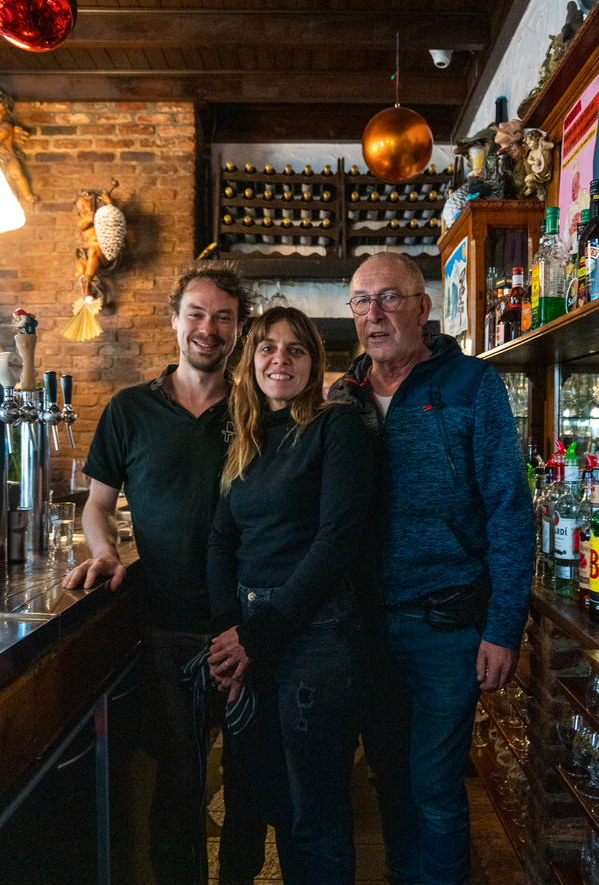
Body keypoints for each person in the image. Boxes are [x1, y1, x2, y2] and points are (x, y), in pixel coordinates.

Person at [328, 252, 535, 885]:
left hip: (447, 624)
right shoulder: (344, 394)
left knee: (436, 785)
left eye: (389, 298)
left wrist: (504, 627)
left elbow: (508, 508)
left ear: (424, 307)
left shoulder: (472, 384)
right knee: (389, 777)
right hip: (366, 626)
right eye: (362, 301)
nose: (375, 314)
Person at [62, 258, 267, 885]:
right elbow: (99, 503)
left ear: (239, 331)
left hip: (246, 630)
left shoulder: (257, 407)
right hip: (166, 628)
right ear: (174, 321)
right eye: (197, 314)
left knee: (250, 789)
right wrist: (104, 554)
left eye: (224, 318)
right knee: (177, 788)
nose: (209, 328)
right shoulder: (129, 410)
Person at [207, 306, 374, 885]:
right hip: (256, 637)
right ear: (250, 361)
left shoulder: (336, 427)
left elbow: (337, 542)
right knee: (272, 798)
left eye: (296, 349)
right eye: (268, 348)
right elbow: (221, 541)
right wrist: (230, 630)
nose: (281, 359)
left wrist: (256, 634)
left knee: (315, 814)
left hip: (317, 640)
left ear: (313, 361)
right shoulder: (247, 441)